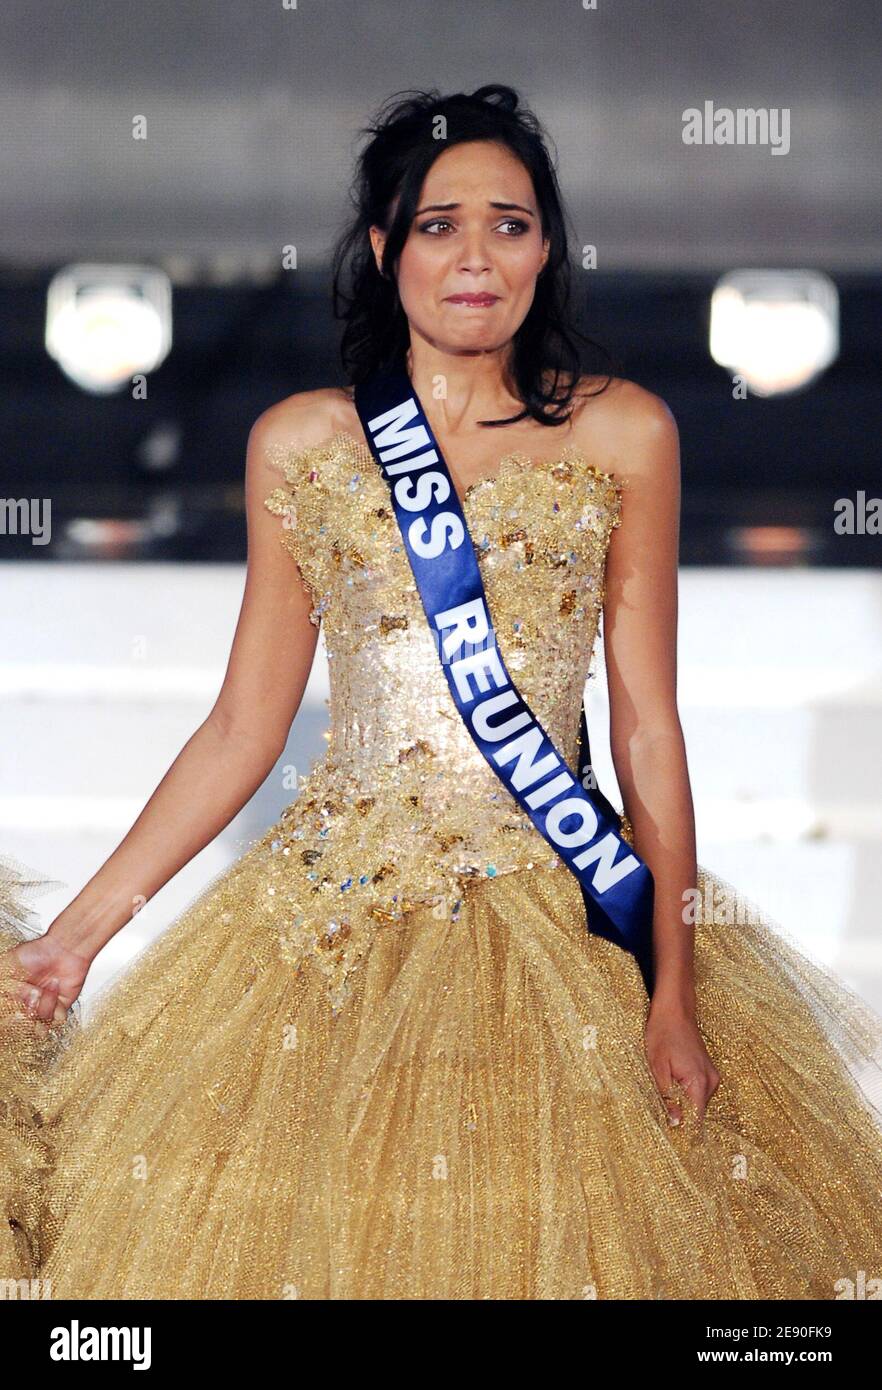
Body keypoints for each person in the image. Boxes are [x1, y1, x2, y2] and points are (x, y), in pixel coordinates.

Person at [1, 84, 881, 1301]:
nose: (477, 257)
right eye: (439, 225)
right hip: (333, 918)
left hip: (564, 907)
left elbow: (646, 727)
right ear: (383, 249)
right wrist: (76, 937)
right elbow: (245, 727)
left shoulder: (624, 433)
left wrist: (674, 986)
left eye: (511, 225)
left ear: (548, 249)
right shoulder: (301, 442)